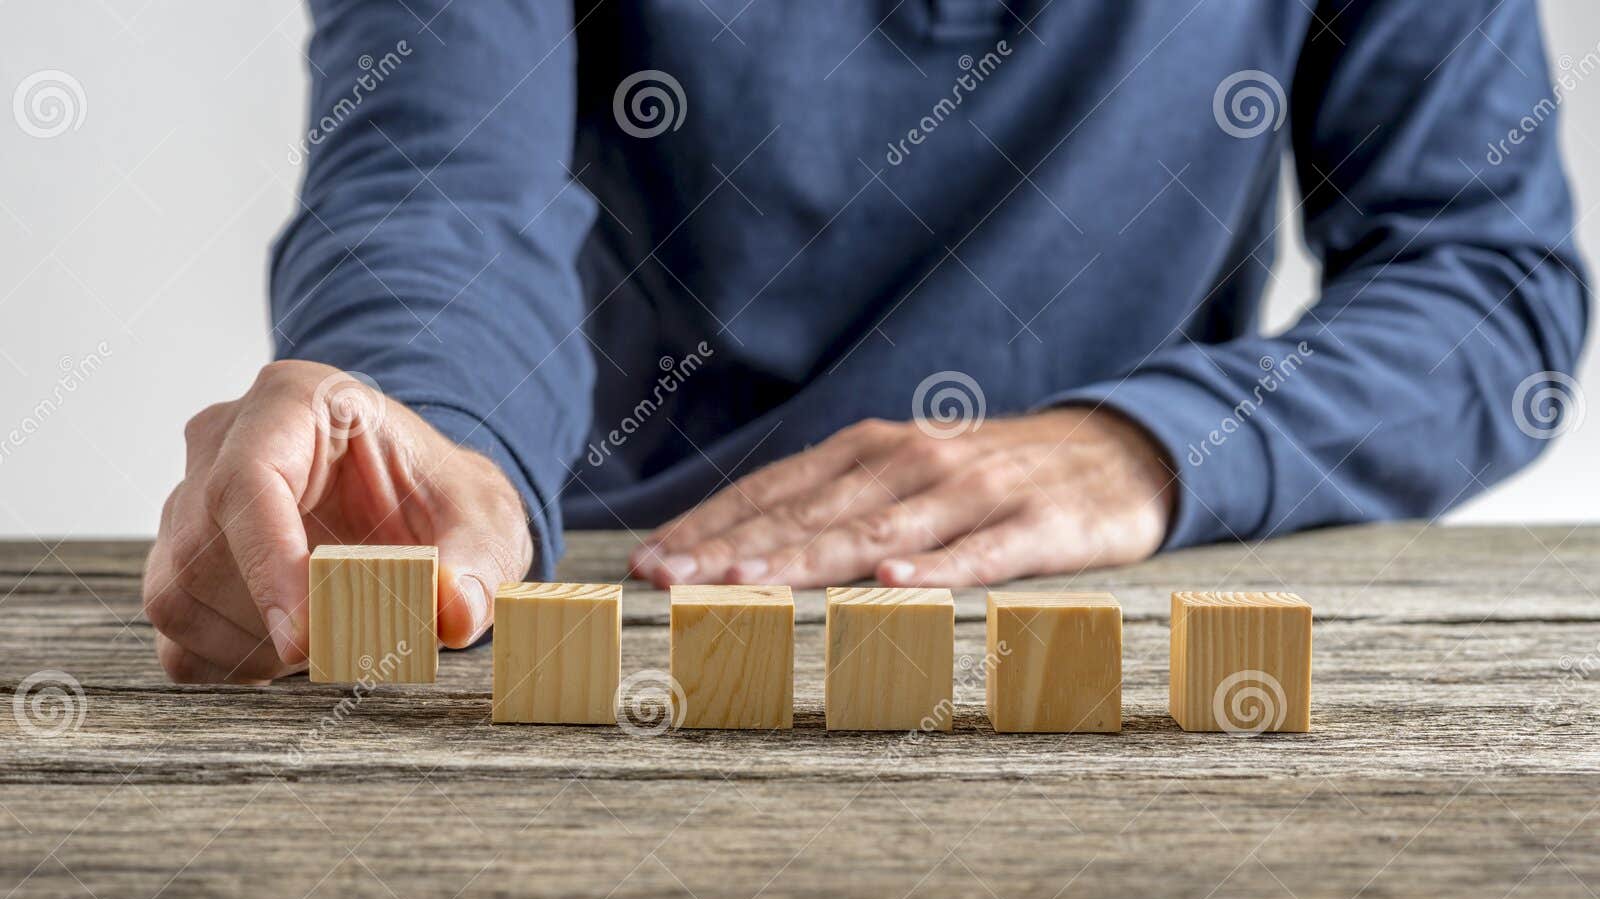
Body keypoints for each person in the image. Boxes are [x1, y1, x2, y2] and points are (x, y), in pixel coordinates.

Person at [144, 0, 1588, 684]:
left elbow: (1485, 278)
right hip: (627, 632)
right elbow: (437, 182)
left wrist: (1152, 445)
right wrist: (416, 427)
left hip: (1129, 640)